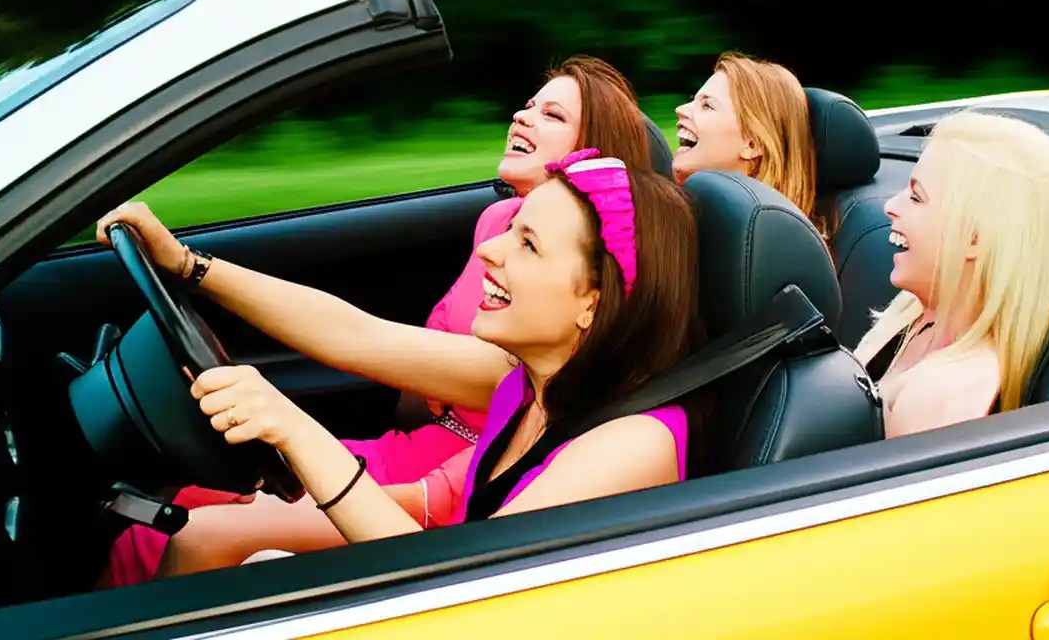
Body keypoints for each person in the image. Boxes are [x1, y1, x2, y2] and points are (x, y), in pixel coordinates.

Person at [98, 56, 657, 584]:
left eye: (529, 244)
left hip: (436, 525)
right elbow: (364, 344)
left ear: (594, 296)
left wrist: (295, 440)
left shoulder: (609, 430)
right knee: (195, 505)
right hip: (428, 487)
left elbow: (469, 581)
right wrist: (189, 266)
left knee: (193, 531)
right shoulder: (525, 384)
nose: (493, 250)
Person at [852, 111, 1049, 438]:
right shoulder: (912, 311)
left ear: (974, 236)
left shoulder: (942, 395)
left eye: (916, 196)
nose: (891, 205)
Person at [672, 51, 832, 238]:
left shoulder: (770, 247)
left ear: (753, 143)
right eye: (692, 100)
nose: (680, 110)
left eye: (707, 106)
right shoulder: (701, 220)